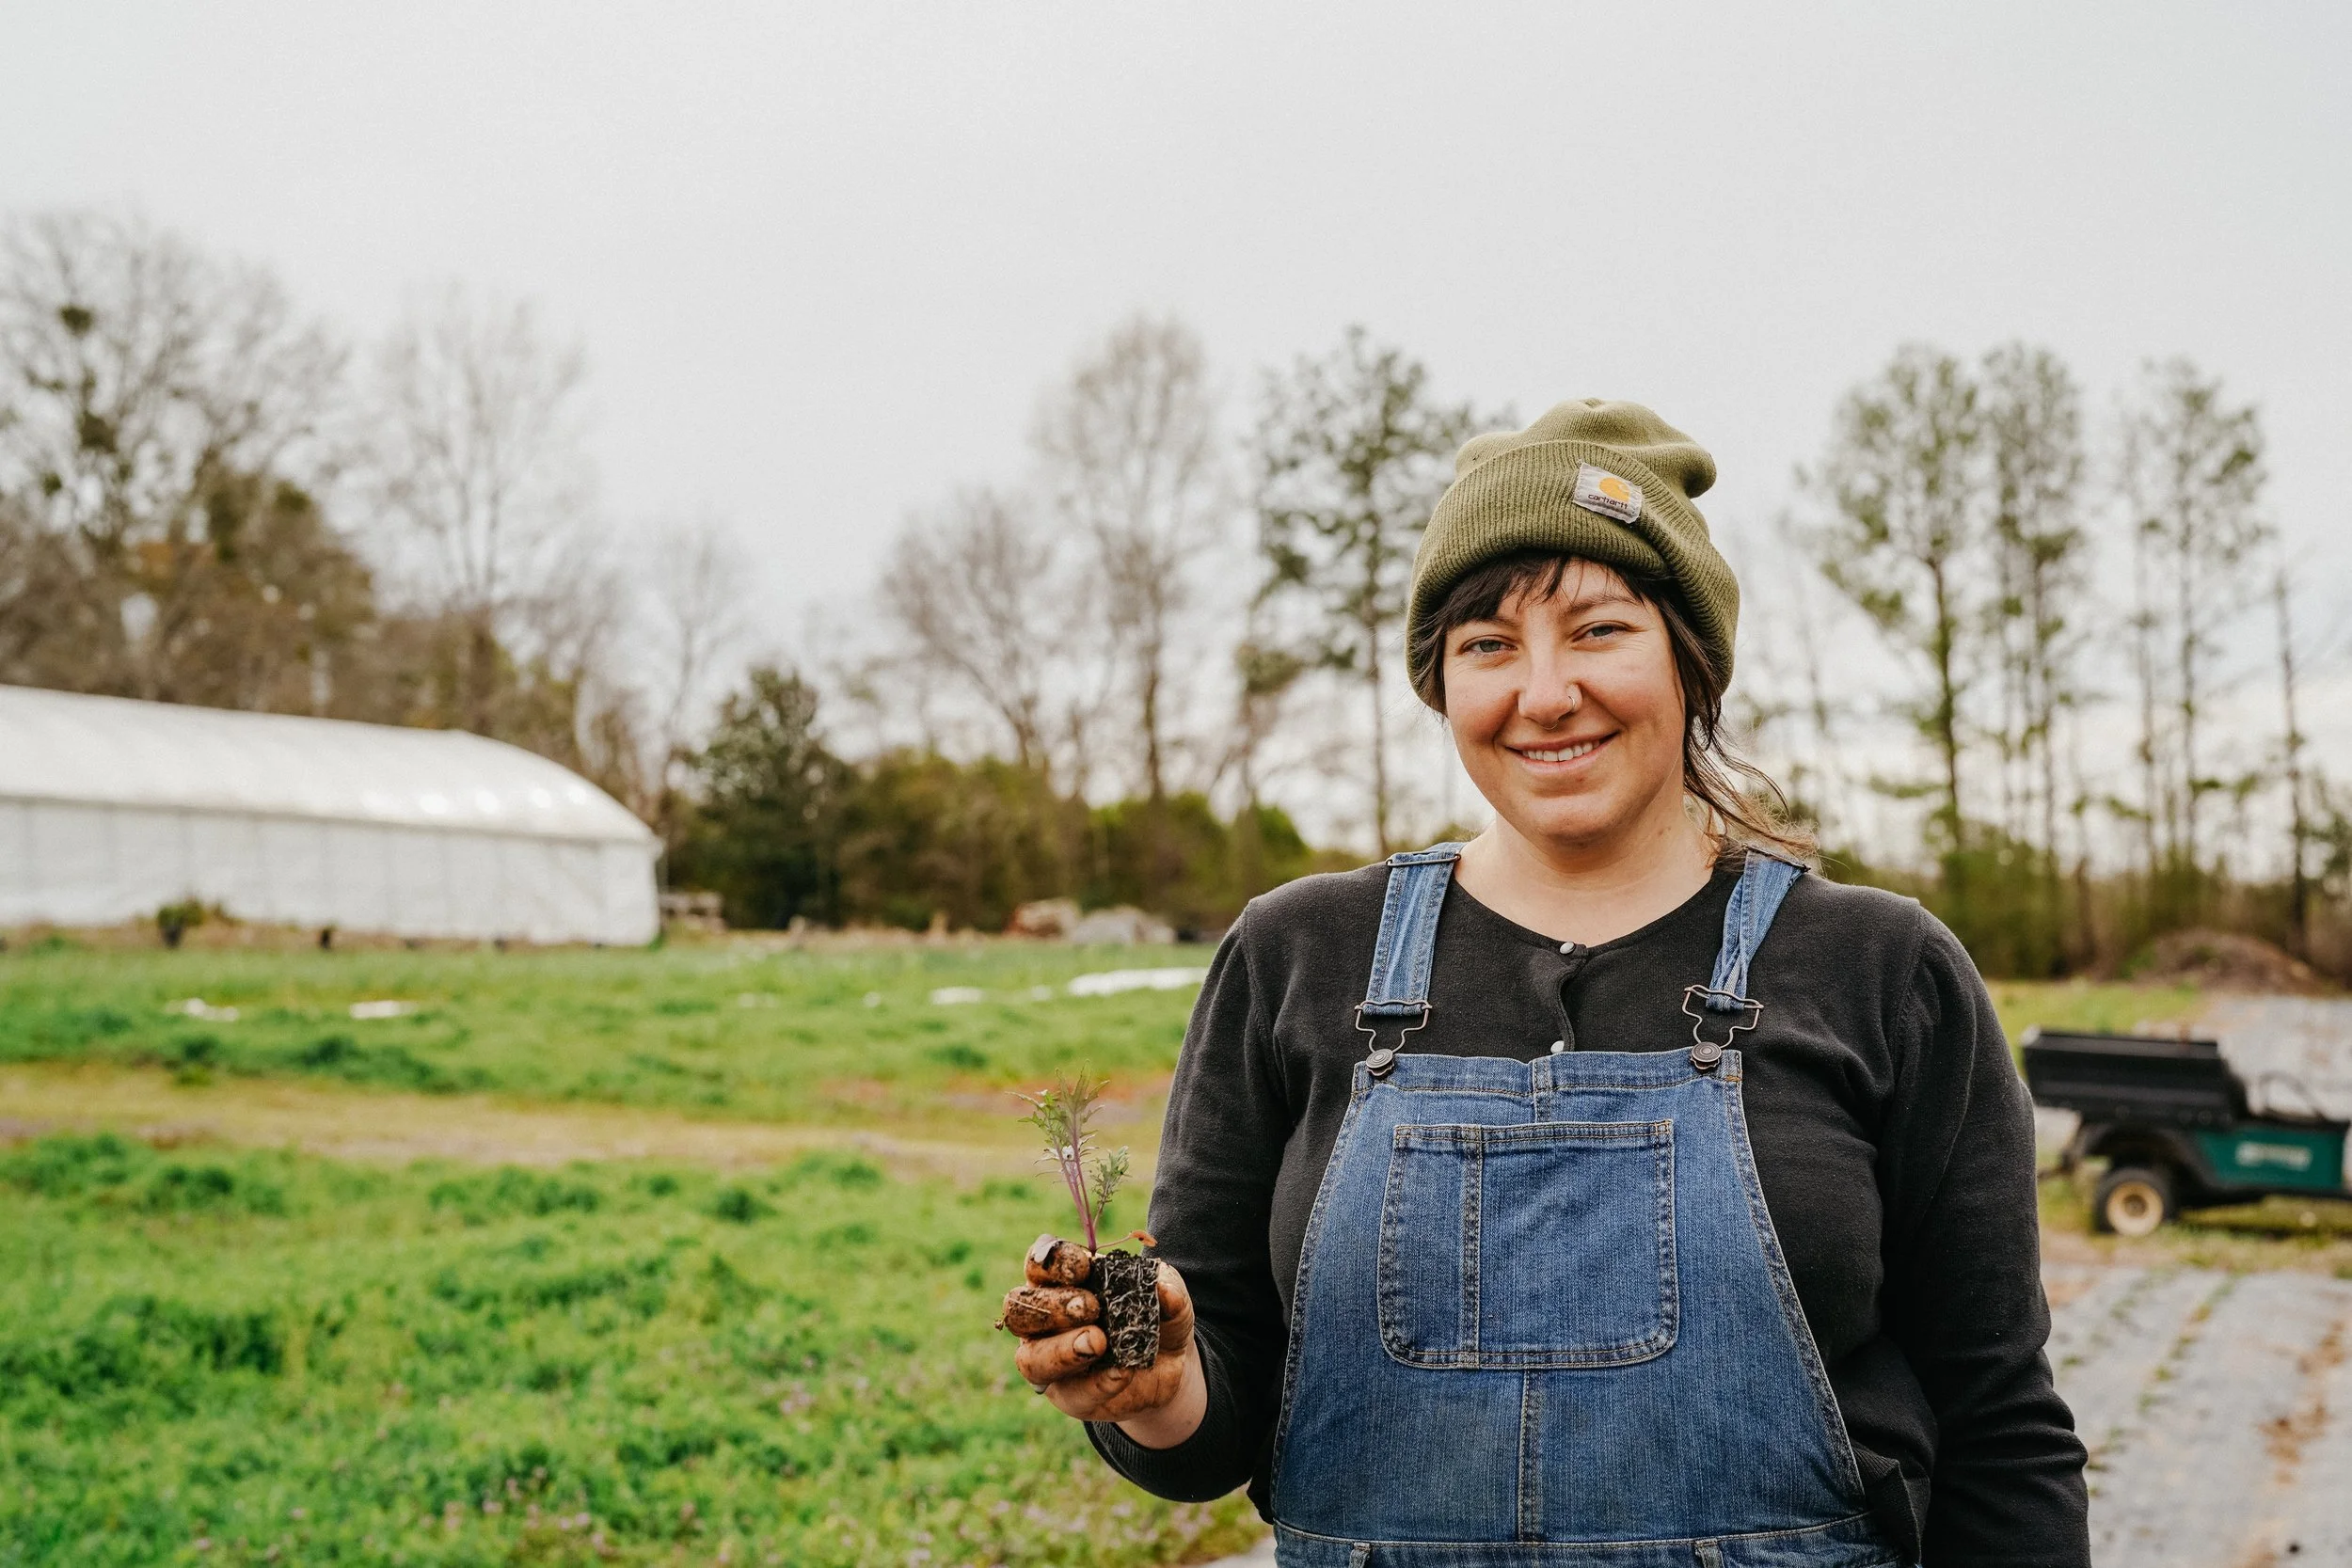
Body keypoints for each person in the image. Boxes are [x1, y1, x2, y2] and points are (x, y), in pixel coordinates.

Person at [1005, 401, 2090, 1566]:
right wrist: (1156, 1386)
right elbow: (1204, 1422)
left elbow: (1998, 1424)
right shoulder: (1297, 955)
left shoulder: (1879, 967)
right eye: (1487, 644)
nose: (1544, 692)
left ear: (1691, 658)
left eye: (1598, 629)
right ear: (1440, 684)